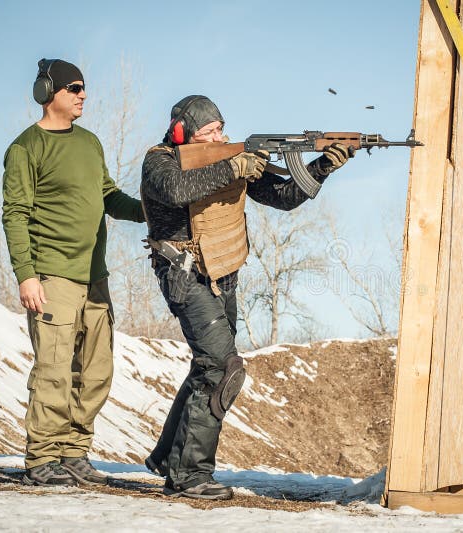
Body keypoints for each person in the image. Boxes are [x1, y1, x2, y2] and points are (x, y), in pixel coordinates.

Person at [140, 95, 350, 500]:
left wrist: (323, 166)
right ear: (183, 132)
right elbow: (177, 189)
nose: (219, 137)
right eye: (209, 133)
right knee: (223, 368)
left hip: (223, 273)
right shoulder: (160, 161)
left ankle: (170, 459)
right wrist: (232, 165)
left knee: (208, 367)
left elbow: (284, 196)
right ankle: (190, 476)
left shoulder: (232, 157)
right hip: (183, 274)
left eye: (221, 129)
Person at [2, 58, 145, 486]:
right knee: (54, 369)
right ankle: (41, 459)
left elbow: (109, 197)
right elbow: (14, 213)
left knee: (97, 370)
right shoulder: (26, 147)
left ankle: (73, 452)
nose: (83, 94)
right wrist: (26, 274)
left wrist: (150, 213)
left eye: (84, 88)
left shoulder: (90, 143)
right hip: (52, 276)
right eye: (74, 88)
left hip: (94, 277)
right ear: (48, 92)